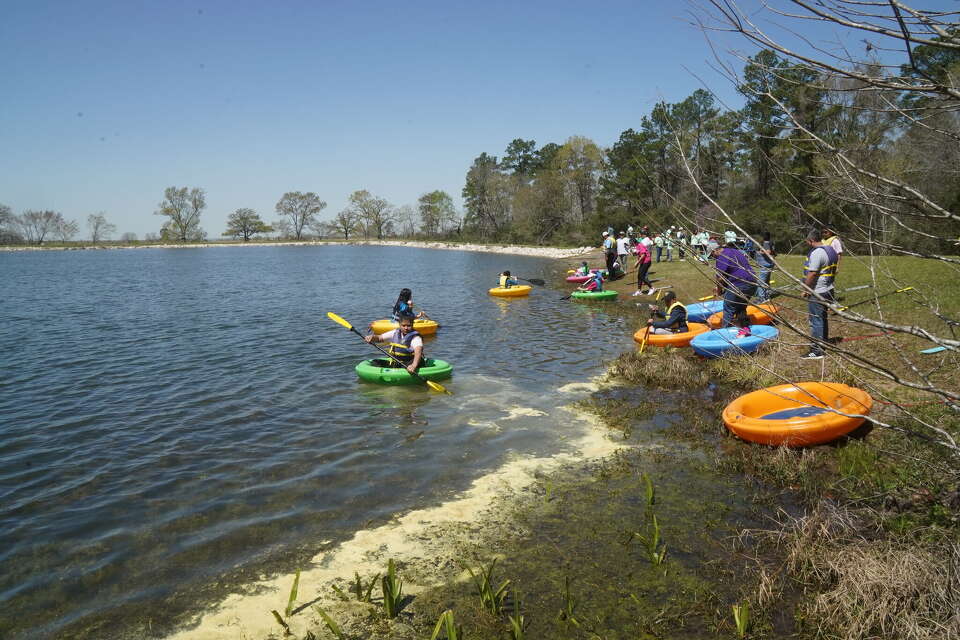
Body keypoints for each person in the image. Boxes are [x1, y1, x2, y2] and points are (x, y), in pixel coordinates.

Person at [801, 228, 839, 360]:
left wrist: (805, 288)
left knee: (815, 320)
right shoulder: (830, 249)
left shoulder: (817, 253)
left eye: (807, 241)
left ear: (811, 241)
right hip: (829, 289)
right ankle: (824, 341)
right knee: (823, 318)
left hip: (818, 291)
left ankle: (817, 351)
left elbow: (812, 273)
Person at [709, 239, 757, 332]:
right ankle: (745, 329)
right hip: (752, 282)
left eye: (712, 255)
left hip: (738, 284)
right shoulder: (734, 251)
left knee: (728, 308)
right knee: (741, 307)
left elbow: (720, 278)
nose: (712, 257)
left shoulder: (721, 257)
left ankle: (725, 334)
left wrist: (719, 291)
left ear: (715, 250)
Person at [755, 231, 776, 302]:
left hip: (766, 265)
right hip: (769, 264)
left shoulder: (766, 243)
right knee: (766, 281)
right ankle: (766, 296)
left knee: (761, 282)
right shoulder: (771, 242)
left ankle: (761, 298)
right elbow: (773, 252)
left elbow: (768, 252)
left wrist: (761, 252)